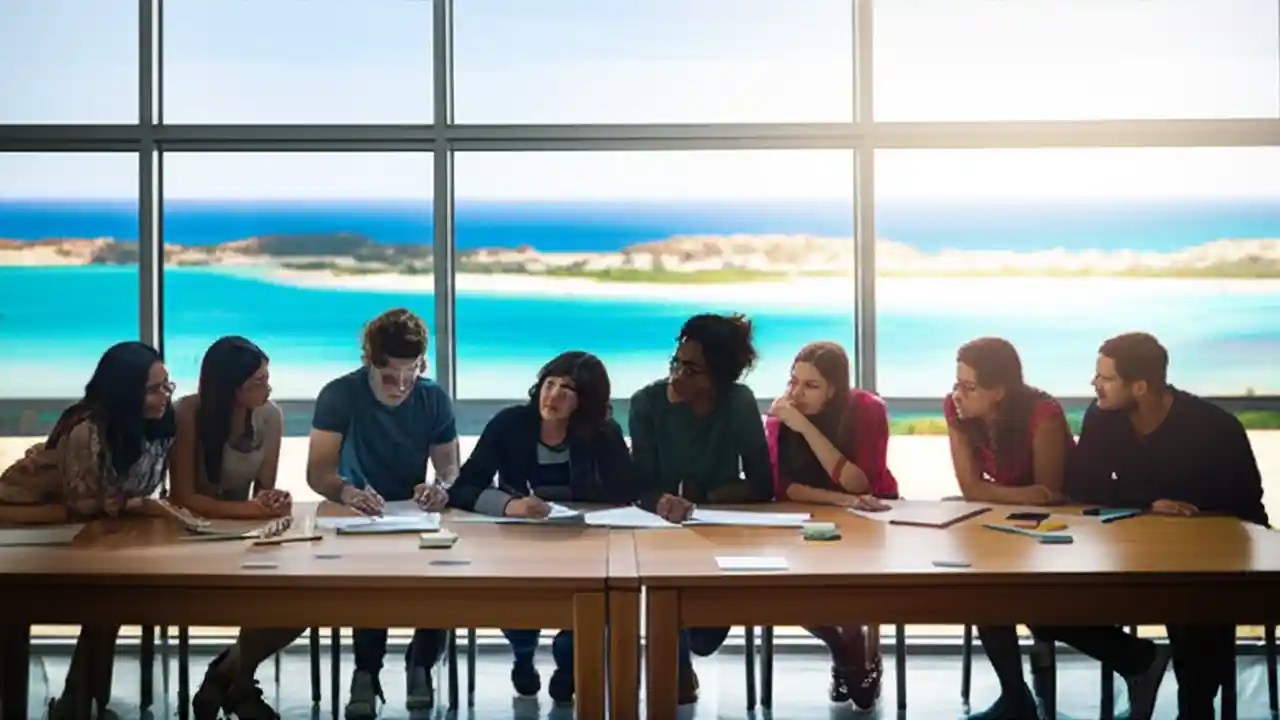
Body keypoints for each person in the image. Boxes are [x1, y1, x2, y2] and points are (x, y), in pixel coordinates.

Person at [1063, 331, 1267, 719]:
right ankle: (1139, 658)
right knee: (1047, 607)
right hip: (1125, 552)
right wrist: (1146, 502)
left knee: (1196, 614)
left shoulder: (1214, 428)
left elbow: (1247, 509)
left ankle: (1196, 706)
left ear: (1138, 386)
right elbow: (1082, 486)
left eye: (1105, 378)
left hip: (1205, 560)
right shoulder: (1102, 416)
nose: (1095, 385)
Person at [0, 341, 177, 719]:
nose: (164, 396)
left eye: (167, 385)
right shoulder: (87, 428)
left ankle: (79, 701)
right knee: (25, 607)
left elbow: (108, 502)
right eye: (153, 389)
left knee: (108, 601)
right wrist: (135, 506)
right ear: (125, 391)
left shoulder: (157, 422)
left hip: (83, 524)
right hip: (26, 516)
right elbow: (84, 503)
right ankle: (54, 703)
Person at [450, 351, 635, 703]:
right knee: (519, 606)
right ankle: (523, 655)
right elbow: (463, 488)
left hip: (583, 544)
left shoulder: (603, 434)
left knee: (591, 605)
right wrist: (510, 505)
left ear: (586, 402)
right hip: (521, 542)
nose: (553, 396)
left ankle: (568, 664)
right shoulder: (510, 424)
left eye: (567, 390)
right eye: (549, 384)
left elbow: (627, 493)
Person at [306, 309, 457, 719]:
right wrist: (348, 491)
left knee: (441, 572)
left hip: (413, 511)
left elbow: (449, 466)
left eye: (413, 373)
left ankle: (421, 662)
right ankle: (365, 671)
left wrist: (439, 488)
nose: (402, 386)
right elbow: (318, 472)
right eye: (391, 376)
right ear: (368, 362)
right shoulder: (340, 395)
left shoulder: (432, 398)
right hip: (356, 514)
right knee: (368, 579)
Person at [628, 312, 772, 705]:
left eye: (693, 369)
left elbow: (762, 484)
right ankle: (673, 660)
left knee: (706, 638)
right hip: (659, 530)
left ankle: (684, 651)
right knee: (668, 588)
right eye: (677, 362)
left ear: (719, 378)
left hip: (721, 530)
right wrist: (661, 501)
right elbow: (638, 483)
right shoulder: (646, 403)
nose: (679, 375)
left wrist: (704, 498)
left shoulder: (738, 403)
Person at [765, 341, 895, 709]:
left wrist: (806, 428)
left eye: (811, 385)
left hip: (872, 512)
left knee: (855, 574)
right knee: (784, 584)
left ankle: (857, 650)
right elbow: (782, 488)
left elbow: (862, 482)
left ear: (835, 389)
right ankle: (845, 650)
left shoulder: (867, 411)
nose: (796, 393)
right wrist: (841, 501)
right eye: (794, 382)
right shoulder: (782, 415)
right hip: (813, 513)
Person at [172, 337, 295, 720]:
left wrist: (273, 503)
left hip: (243, 533)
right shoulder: (187, 413)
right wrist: (251, 511)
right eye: (257, 381)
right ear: (230, 387)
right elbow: (184, 497)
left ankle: (226, 675)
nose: (267, 387)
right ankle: (238, 687)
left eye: (267, 377)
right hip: (188, 534)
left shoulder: (271, 416)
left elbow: (264, 494)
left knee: (300, 601)